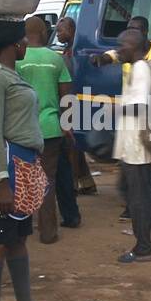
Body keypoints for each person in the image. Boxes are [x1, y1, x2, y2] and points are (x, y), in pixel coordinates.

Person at [0, 19, 63, 301]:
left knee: (18, 239)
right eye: (23, 40)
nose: (27, 44)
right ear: (12, 45)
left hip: (21, 164)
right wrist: (1, 182)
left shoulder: (11, 75)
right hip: (2, 168)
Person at [93, 29, 151, 263]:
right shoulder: (139, 64)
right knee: (132, 192)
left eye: (123, 46)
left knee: (137, 197)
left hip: (138, 145)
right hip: (133, 142)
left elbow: (139, 107)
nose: (119, 50)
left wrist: (113, 110)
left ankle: (144, 247)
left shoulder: (141, 70)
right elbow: (115, 57)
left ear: (136, 48)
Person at [16, 16, 79, 244]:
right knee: (47, 181)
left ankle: (20, 230)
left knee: (22, 179)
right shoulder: (56, 59)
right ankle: (48, 231)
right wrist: (67, 126)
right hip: (51, 130)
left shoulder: (16, 59)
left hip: (21, 130)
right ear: (44, 34)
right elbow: (67, 97)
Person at [55, 16, 98, 197]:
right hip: (73, 100)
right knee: (74, 143)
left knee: (70, 145)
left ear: (72, 30)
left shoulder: (75, 52)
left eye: (61, 30)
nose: (58, 34)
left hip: (72, 101)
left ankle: (72, 184)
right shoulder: (69, 50)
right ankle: (87, 182)